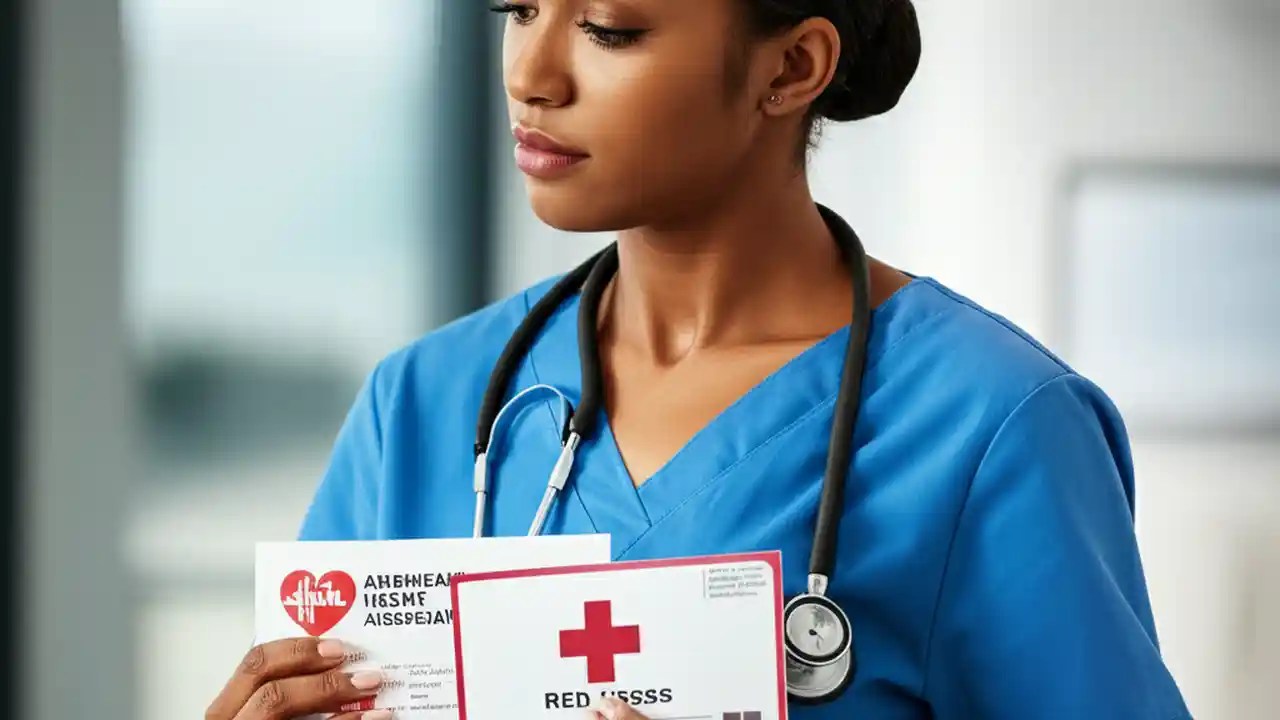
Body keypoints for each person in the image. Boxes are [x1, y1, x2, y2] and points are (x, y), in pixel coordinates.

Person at [205, 1, 1192, 719]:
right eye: (517, 11)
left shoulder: (990, 423)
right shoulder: (427, 399)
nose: (530, 75)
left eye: (606, 30)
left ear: (791, 67)